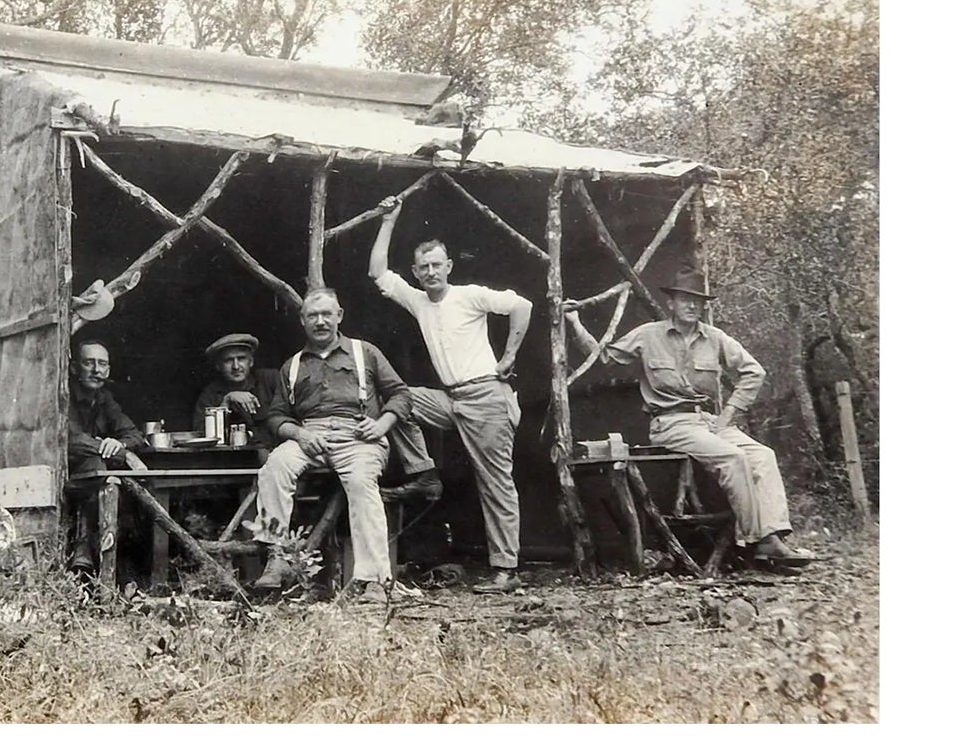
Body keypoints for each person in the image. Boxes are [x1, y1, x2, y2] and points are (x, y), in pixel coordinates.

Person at [564, 266, 813, 570]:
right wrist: (574, 322)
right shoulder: (648, 334)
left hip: (708, 422)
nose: (692, 305)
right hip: (670, 423)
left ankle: (772, 538)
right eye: (685, 299)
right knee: (733, 458)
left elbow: (754, 371)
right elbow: (604, 357)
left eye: (698, 301)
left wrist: (730, 412)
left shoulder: (714, 338)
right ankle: (760, 541)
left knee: (763, 455)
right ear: (671, 303)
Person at [370, 200, 533, 592]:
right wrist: (389, 221)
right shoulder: (418, 301)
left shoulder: (469, 295)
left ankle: (505, 570)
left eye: (437, 265)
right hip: (450, 399)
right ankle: (422, 472)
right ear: (416, 271)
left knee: (495, 481)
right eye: (423, 267)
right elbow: (378, 273)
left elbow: (521, 305)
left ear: (449, 267)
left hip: (485, 396)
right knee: (400, 399)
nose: (430, 273)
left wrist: (509, 355)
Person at [252, 289, 417, 603]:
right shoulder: (293, 365)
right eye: (313, 316)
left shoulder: (364, 352)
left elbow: (401, 394)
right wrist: (300, 435)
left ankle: (373, 581)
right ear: (303, 321)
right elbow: (276, 417)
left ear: (339, 316)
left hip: (358, 437)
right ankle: (276, 556)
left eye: (327, 314)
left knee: (360, 483)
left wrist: (381, 424)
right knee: (274, 468)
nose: (320, 321)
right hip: (309, 436)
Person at [66, 338, 148, 571]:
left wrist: (117, 444)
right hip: (70, 475)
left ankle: (100, 560)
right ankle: (88, 557)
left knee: (125, 486)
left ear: (109, 369)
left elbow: (134, 434)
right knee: (100, 465)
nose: (96, 370)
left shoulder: (105, 399)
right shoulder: (64, 395)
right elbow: (69, 440)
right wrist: (116, 452)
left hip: (96, 476)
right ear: (74, 368)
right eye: (89, 363)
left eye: (102, 364)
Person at [191, 333, 283, 443]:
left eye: (241, 358)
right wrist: (225, 403)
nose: (236, 366)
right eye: (228, 360)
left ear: (251, 362)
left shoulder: (271, 380)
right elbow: (202, 434)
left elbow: (290, 416)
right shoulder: (210, 394)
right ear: (218, 366)